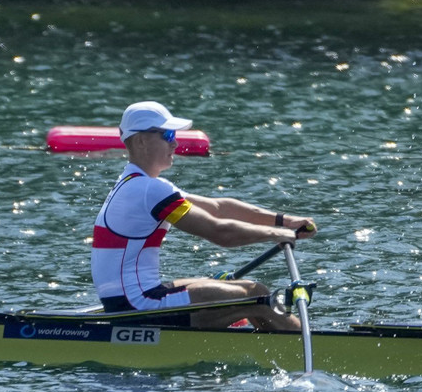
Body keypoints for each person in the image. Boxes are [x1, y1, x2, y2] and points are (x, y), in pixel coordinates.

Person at [91, 101, 317, 330]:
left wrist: (284, 221)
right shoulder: (148, 189)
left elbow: (218, 207)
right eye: (167, 135)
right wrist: (275, 233)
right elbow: (220, 232)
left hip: (127, 301)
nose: (175, 143)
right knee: (255, 296)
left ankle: (277, 341)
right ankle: (310, 345)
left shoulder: (137, 184)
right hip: (138, 306)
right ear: (141, 141)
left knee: (239, 289)